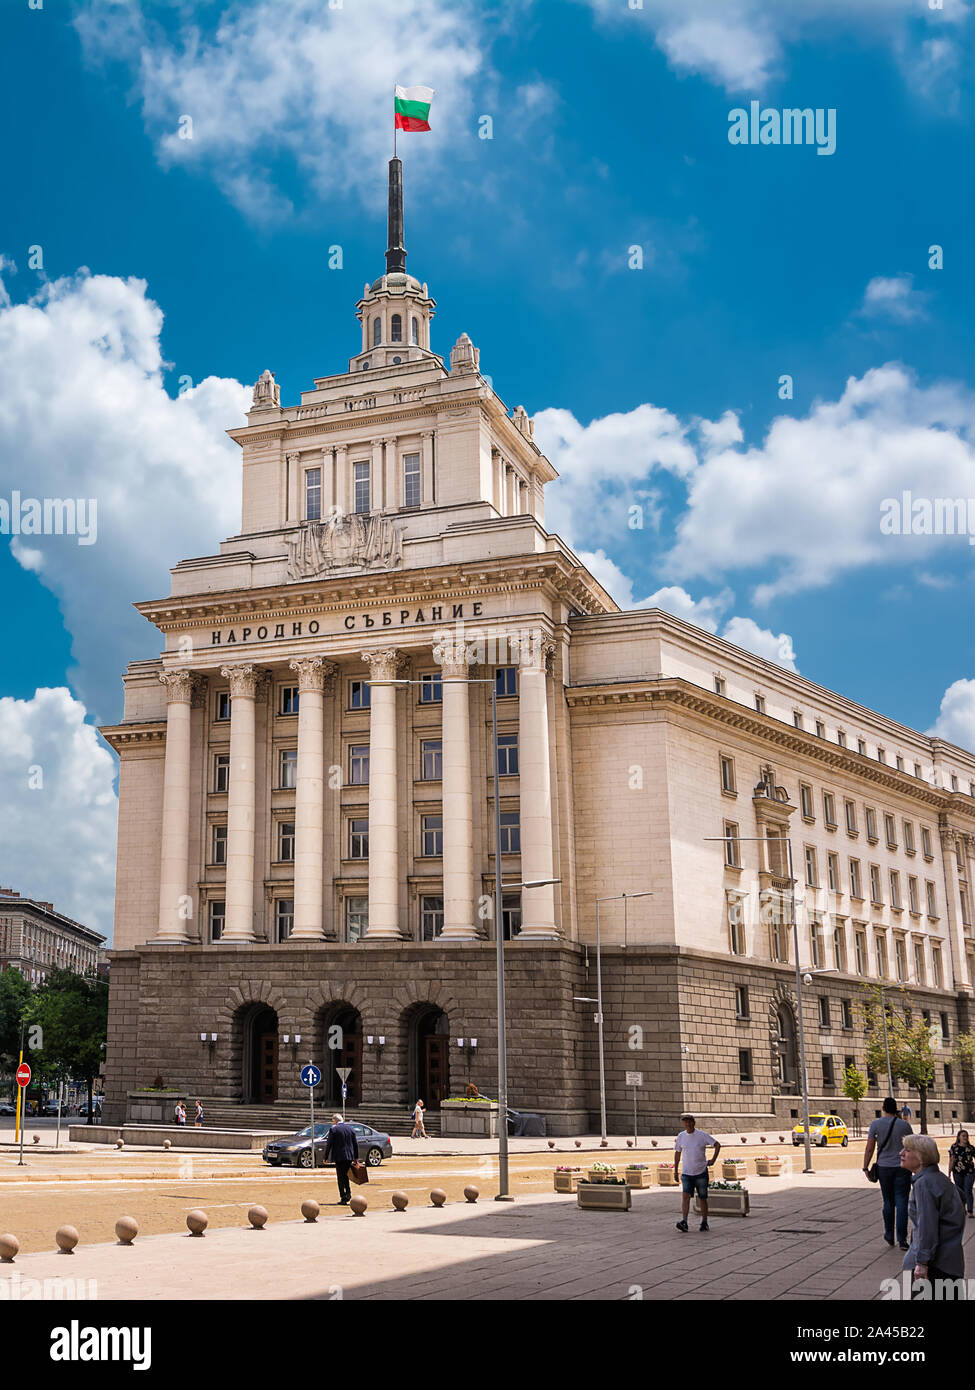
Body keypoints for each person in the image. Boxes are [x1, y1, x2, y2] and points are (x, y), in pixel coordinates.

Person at [900, 1133, 966, 1296]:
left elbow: (926, 1227)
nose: (901, 1153)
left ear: (921, 1157)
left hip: (935, 1266)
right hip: (950, 1262)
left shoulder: (924, 1184)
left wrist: (922, 1262)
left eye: (907, 1150)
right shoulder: (940, 1179)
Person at [863, 1097, 913, 1249]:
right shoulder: (904, 1125)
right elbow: (911, 1146)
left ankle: (889, 1235)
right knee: (902, 1202)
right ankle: (902, 1239)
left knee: (888, 1201)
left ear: (883, 1108)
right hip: (902, 1167)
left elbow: (870, 1147)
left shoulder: (876, 1124)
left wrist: (865, 1167)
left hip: (884, 1168)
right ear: (896, 1109)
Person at [673, 1113, 721, 1233]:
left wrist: (713, 1160)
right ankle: (684, 1221)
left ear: (694, 1123)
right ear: (683, 1124)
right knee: (685, 1197)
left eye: (690, 1122)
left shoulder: (702, 1135)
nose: (688, 1125)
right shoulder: (681, 1136)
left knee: (702, 1197)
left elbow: (717, 1145)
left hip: (701, 1171)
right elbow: (677, 1153)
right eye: (686, 1123)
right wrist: (675, 1170)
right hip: (687, 1172)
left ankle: (704, 1222)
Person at [323, 1113, 359, 1205]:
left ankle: (343, 1196)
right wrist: (355, 1157)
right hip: (349, 1157)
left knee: (340, 1177)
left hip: (339, 1157)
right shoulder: (350, 1129)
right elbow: (355, 1144)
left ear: (335, 1121)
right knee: (346, 1176)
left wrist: (325, 1157)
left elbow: (329, 1144)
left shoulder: (333, 1129)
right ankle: (348, 1193)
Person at [947, 1129, 975, 1217]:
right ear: (959, 1137)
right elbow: (951, 1160)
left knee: (968, 1190)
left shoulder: (970, 1148)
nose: (965, 1138)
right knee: (960, 1191)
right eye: (963, 1136)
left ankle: (970, 1210)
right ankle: (962, 1209)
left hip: (969, 1172)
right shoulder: (954, 1147)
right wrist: (949, 1172)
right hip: (957, 1172)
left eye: (966, 1136)